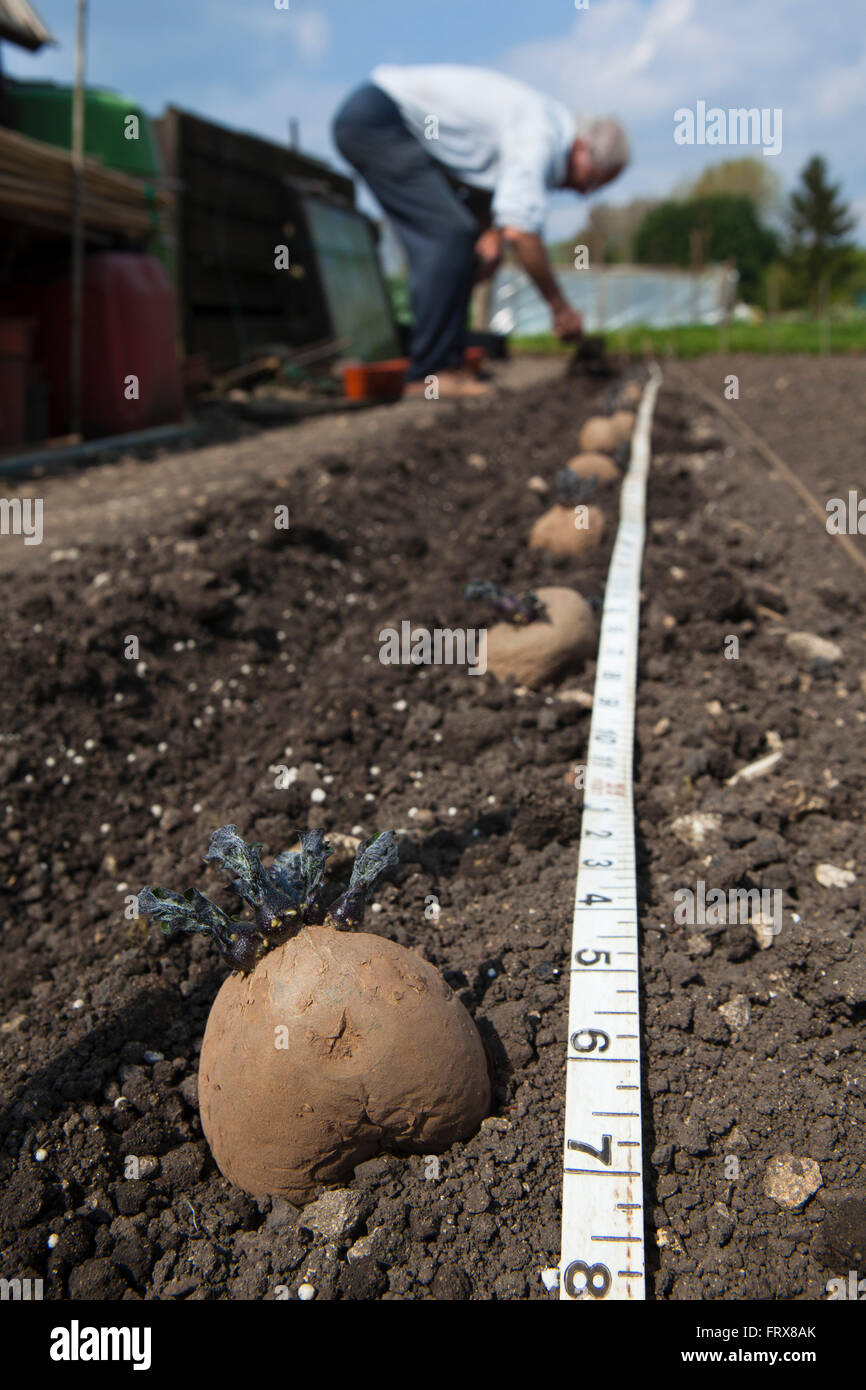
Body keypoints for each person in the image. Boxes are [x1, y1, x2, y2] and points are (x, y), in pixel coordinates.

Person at [333, 64, 629, 398]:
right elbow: (520, 230)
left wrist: (488, 234)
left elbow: (485, 186)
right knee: (448, 236)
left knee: (461, 240)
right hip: (378, 121)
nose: (582, 192)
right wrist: (559, 307)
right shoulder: (540, 134)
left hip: (390, 123)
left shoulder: (542, 125)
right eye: (591, 180)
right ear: (582, 149)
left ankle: (449, 362)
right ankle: (430, 373)